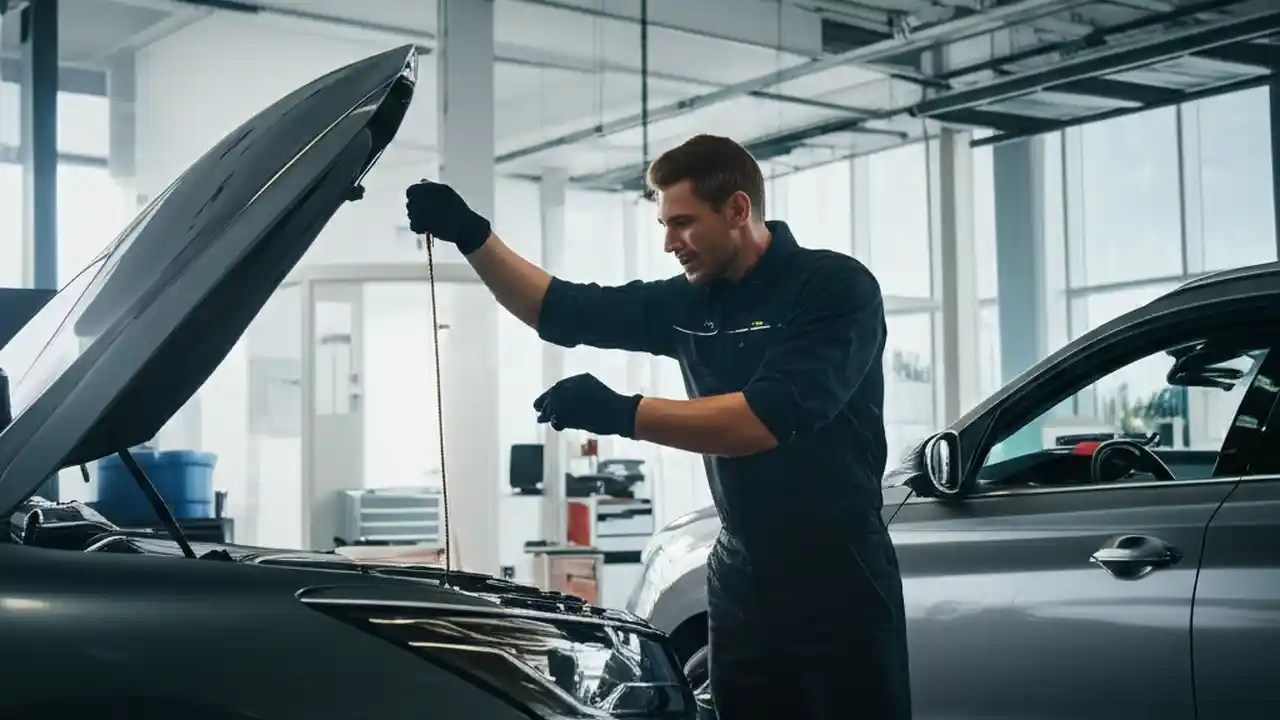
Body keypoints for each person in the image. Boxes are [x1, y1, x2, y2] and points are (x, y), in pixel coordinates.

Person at [405, 134, 911, 719]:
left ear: (738, 210)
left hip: (837, 573)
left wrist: (625, 413)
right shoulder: (691, 302)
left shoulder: (834, 288)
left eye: (683, 223)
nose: (669, 242)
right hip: (742, 576)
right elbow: (560, 309)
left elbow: (764, 419)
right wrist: (474, 237)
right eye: (664, 224)